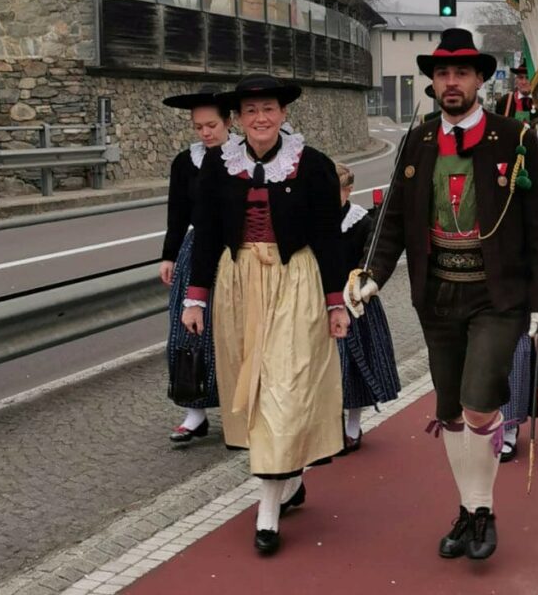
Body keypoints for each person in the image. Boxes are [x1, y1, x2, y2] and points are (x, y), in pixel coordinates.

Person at [348, 28, 538, 561]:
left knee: (478, 402)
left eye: (461, 73)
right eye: (442, 73)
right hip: (437, 295)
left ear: (480, 80)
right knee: (447, 412)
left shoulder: (514, 138)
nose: (450, 82)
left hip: (497, 296)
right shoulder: (417, 141)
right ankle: (468, 512)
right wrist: (371, 273)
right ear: (433, 81)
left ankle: (481, 509)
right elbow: (392, 217)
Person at [182, 74, 348, 556]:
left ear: (283, 114)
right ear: (238, 118)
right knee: (256, 394)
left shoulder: (311, 165)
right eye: (251, 110)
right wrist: (196, 297)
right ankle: (288, 481)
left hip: (295, 280)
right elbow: (208, 231)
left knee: (287, 389)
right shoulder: (218, 166)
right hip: (239, 283)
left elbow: (328, 236)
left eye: (269, 108)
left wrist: (336, 301)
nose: (261, 118)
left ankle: (268, 510)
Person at [160, 89, 232, 443]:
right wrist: (169, 255)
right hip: (194, 249)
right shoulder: (185, 163)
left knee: (234, 332)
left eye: (212, 125)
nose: (205, 132)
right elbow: (176, 213)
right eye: (198, 126)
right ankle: (195, 412)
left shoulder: (244, 158)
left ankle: (240, 411)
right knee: (187, 330)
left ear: (229, 122)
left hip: (235, 251)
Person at [335, 162, 401, 452]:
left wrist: (359, 287)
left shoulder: (362, 222)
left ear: (348, 191)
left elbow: (372, 258)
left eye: (334, 191)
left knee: (355, 369)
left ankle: (353, 425)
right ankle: (328, 425)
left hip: (356, 303)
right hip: (321, 303)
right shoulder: (314, 221)